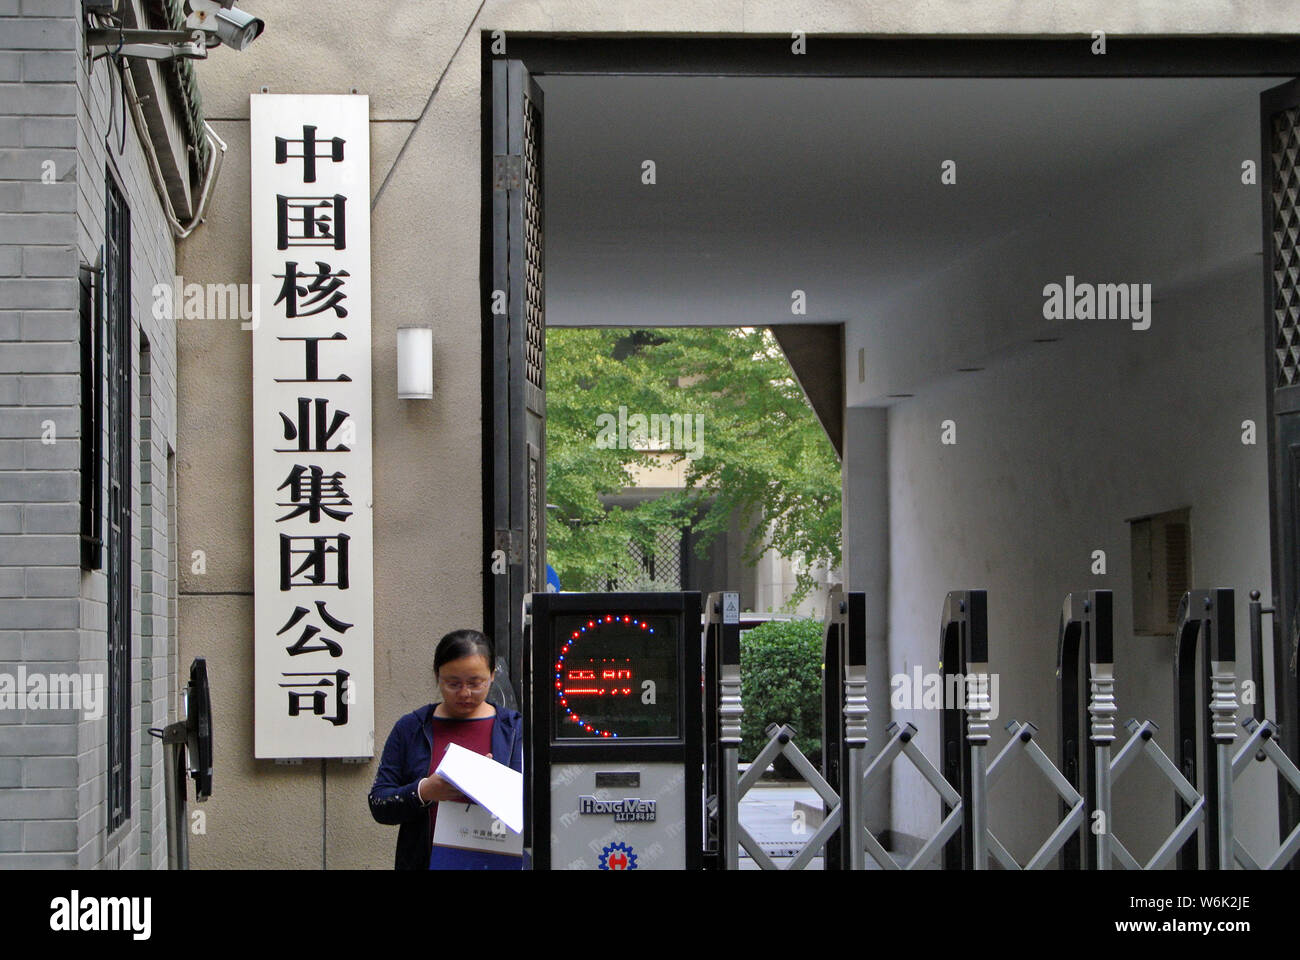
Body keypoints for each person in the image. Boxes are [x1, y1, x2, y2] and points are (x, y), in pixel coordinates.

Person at [367, 629, 523, 869]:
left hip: (496, 861)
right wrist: (424, 791)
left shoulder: (514, 729)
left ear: (492, 675)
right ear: (437, 676)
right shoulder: (411, 728)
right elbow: (379, 803)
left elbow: (539, 803)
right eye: (453, 684)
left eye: (475, 683)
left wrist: (494, 783)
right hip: (425, 862)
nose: (464, 693)